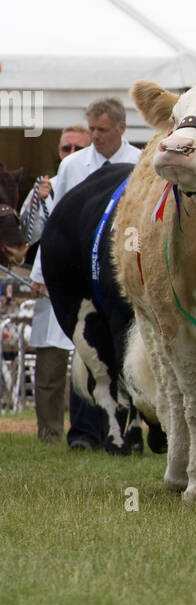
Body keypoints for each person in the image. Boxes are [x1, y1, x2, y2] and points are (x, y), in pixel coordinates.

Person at [30, 99, 141, 450]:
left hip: (124, 275)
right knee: (86, 349)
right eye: (91, 129)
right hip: (81, 273)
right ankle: (83, 434)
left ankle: (131, 428)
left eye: (102, 130)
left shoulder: (140, 163)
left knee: (127, 350)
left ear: (121, 129)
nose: (95, 137)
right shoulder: (73, 165)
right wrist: (41, 273)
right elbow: (55, 228)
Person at [20, 126, 92, 443]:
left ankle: (91, 434)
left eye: (79, 149)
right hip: (51, 286)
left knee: (92, 364)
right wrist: (39, 199)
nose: (71, 155)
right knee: (49, 368)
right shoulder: (47, 185)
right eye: (66, 148)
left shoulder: (97, 184)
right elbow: (28, 234)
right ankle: (48, 433)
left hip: (87, 287)